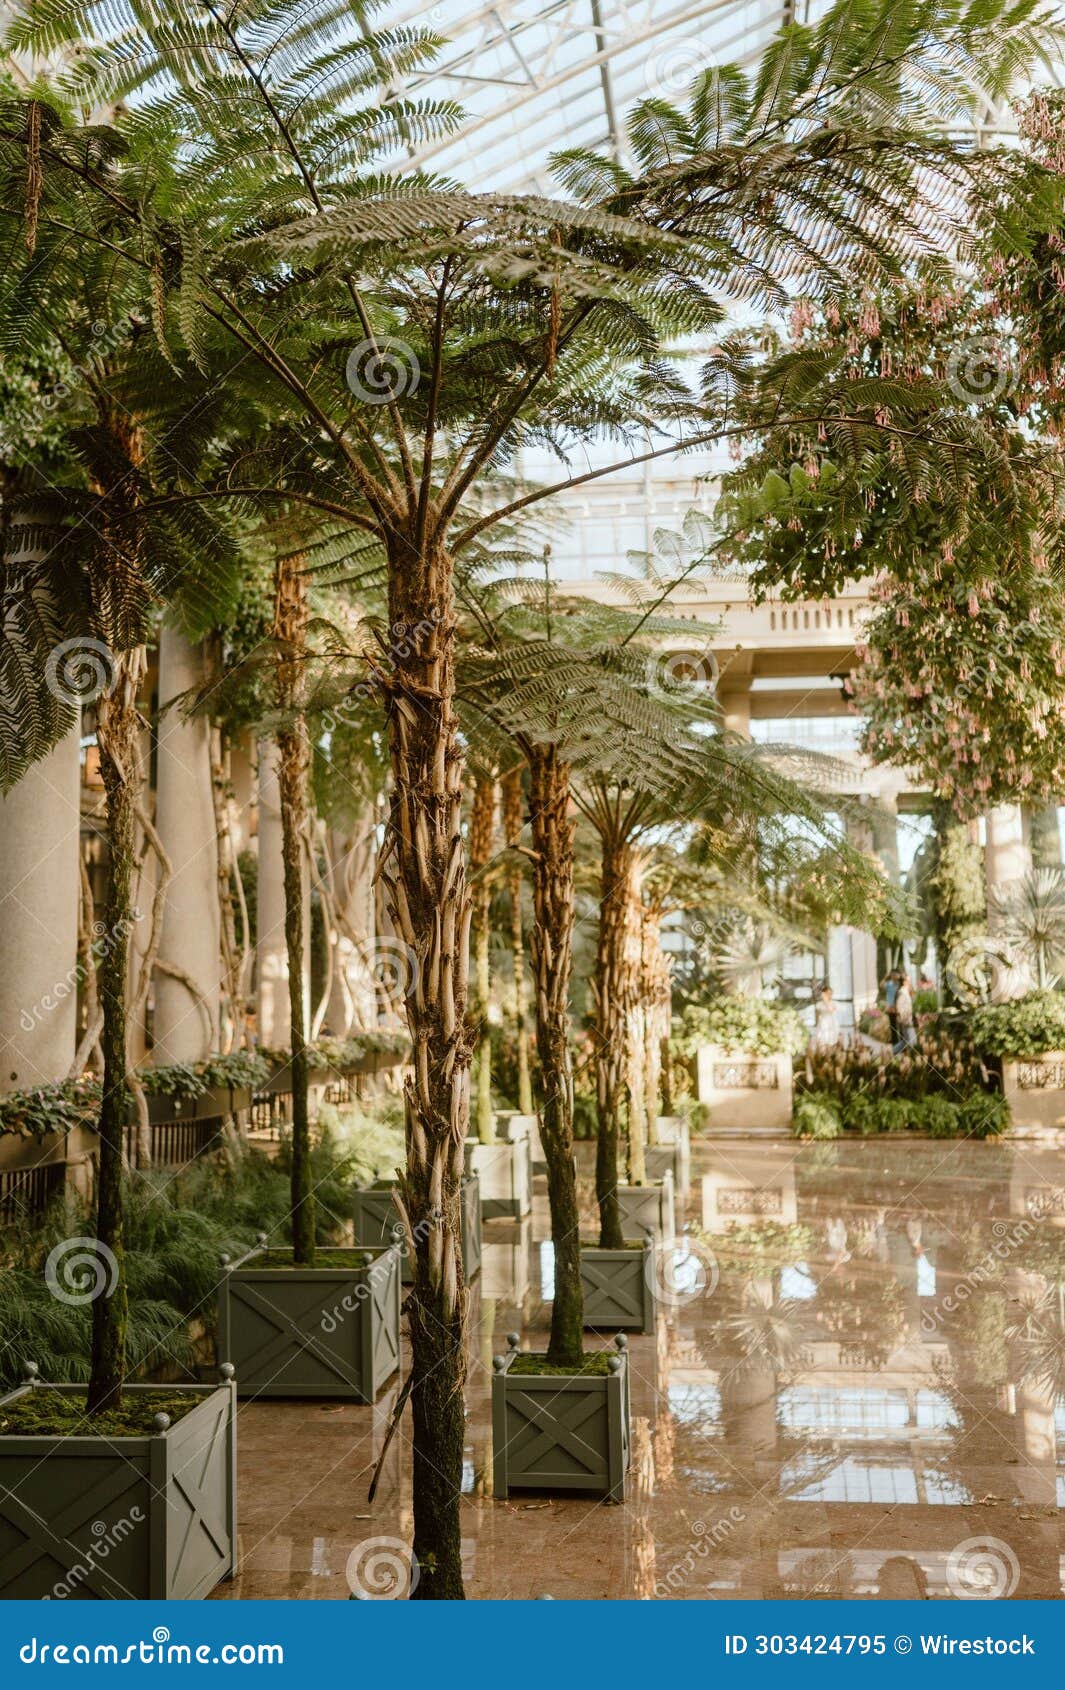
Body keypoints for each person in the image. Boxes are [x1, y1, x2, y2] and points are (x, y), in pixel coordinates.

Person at [812, 982, 841, 1050]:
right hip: (823, 1023)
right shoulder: (819, 1004)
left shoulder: (834, 1003)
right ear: (824, 994)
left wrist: (826, 1001)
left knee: (832, 1042)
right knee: (822, 1042)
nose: (830, 995)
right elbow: (818, 1014)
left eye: (831, 994)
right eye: (828, 993)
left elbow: (831, 1010)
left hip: (832, 1024)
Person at [894, 973, 917, 1052]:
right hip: (906, 1021)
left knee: (906, 1041)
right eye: (908, 980)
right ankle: (892, 1052)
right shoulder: (902, 993)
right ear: (904, 982)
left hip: (908, 1020)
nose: (910, 981)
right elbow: (899, 1008)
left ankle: (891, 1051)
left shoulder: (906, 992)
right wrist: (905, 1018)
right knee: (913, 1042)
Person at [882, 969, 899, 1047]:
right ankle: (894, 1041)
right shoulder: (889, 984)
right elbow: (881, 985)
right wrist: (886, 977)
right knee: (892, 1025)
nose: (894, 976)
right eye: (893, 975)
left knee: (899, 1025)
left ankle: (898, 1041)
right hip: (890, 1008)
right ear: (891, 976)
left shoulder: (899, 984)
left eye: (895, 975)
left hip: (898, 1008)